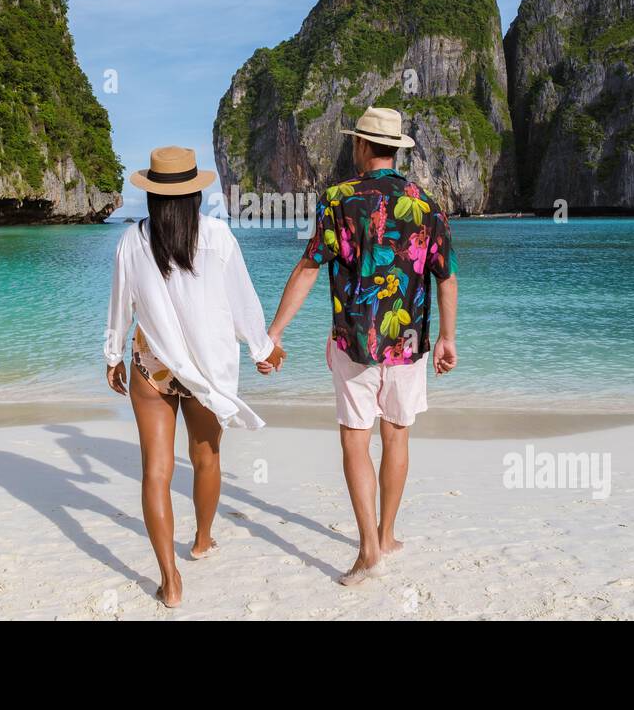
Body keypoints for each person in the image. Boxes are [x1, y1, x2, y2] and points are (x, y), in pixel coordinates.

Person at [265, 107, 458, 585]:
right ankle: (387, 535)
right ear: (395, 149)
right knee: (397, 436)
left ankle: (369, 547)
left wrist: (275, 332)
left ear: (360, 146)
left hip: (355, 341)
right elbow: (447, 276)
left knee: (356, 440)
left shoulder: (338, 199)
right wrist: (449, 339)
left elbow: (310, 267)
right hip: (409, 343)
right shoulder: (426, 202)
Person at [104, 145, 285, 607]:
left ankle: (170, 579)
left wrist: (112, 355)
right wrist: (264, 348)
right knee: (206, 459)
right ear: (194, 196)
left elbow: (120, 304)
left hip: (152, 364)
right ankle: (202, 541)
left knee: (156, 472)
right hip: (206, 369)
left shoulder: (132, 240)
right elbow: (242, 301)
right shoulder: (218, 237)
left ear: (151, 197)